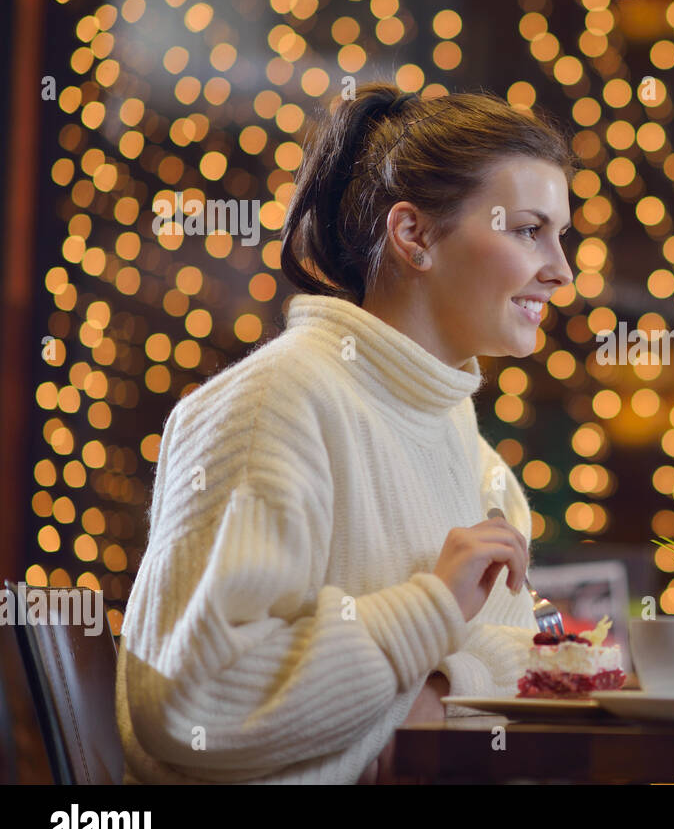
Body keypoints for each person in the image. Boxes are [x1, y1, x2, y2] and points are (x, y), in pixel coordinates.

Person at [115, 83, 576, 783]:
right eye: (527, 229)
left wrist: (436, 690)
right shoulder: (272, 404)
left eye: (560, 236)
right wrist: (429, 614)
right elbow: (189, 702)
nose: (561, 272)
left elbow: (519, 662)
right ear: (414, 235)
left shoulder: (478, 461)